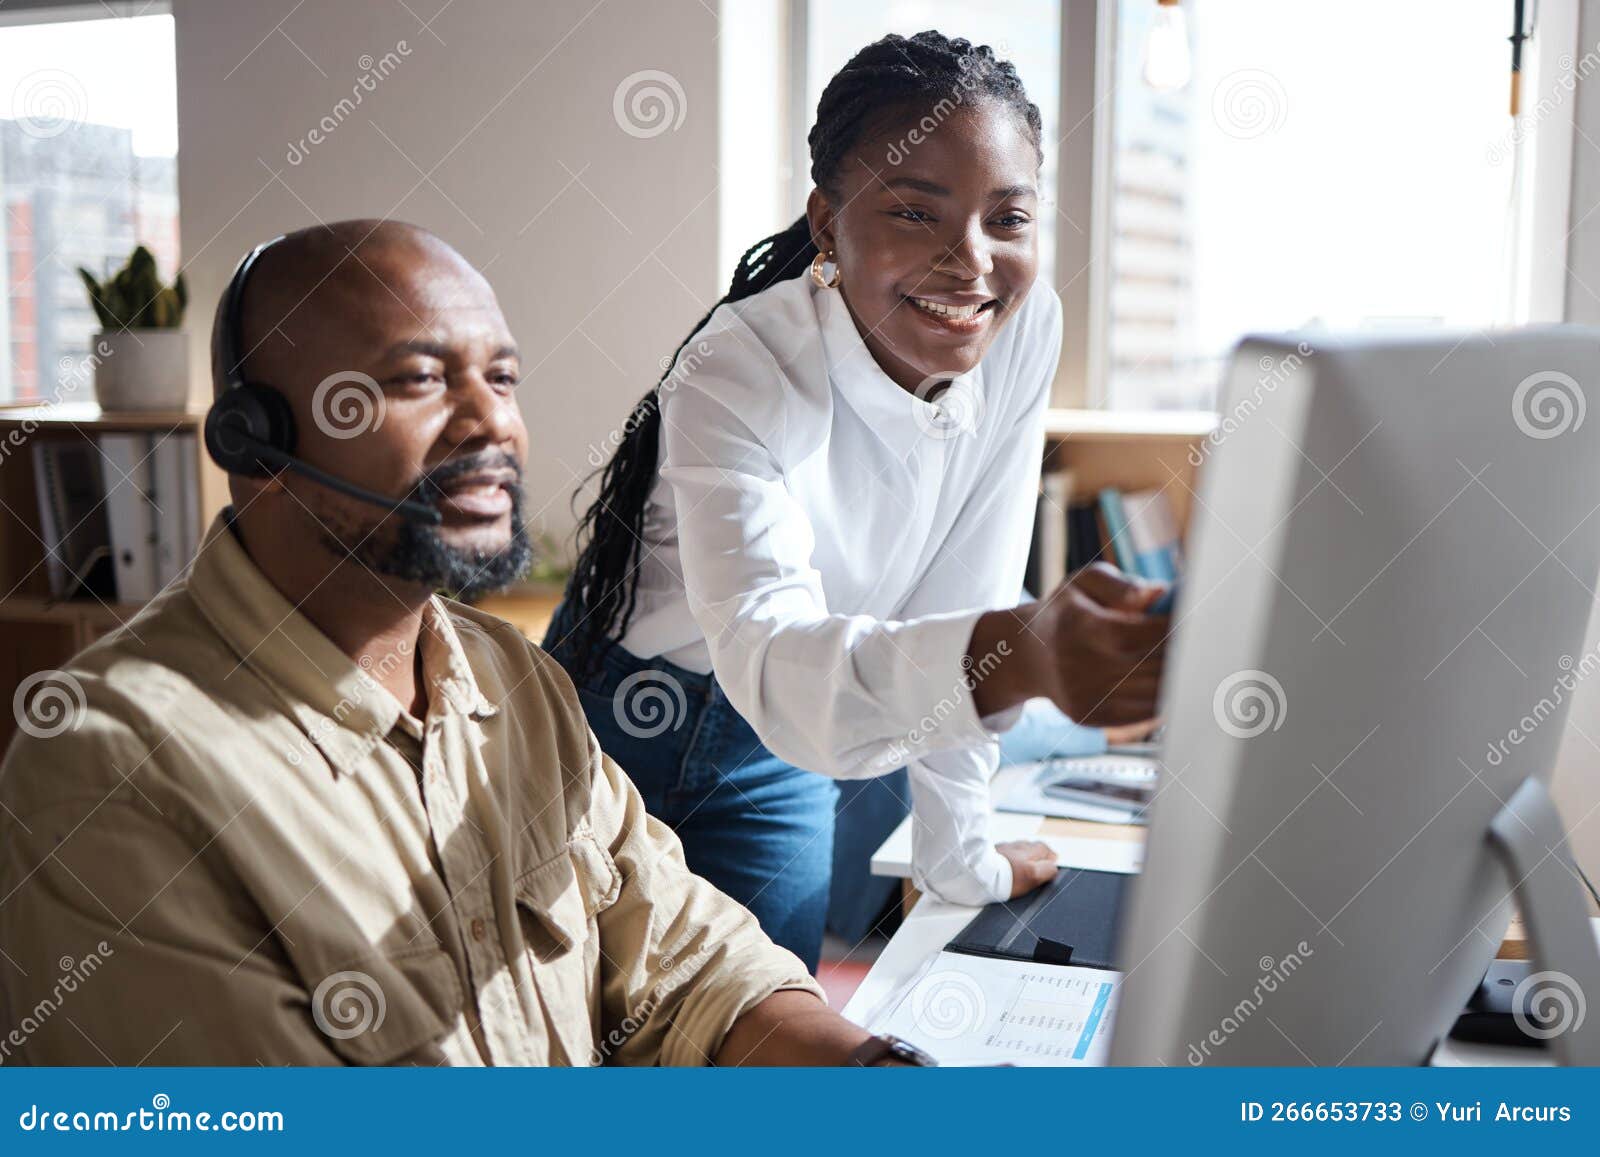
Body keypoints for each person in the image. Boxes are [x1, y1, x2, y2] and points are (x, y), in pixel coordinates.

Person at [0, 220, 922, 1068]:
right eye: (419, 380)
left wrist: (869, 1073)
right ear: (256, 441)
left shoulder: (510, 676)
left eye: (503, 378)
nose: (493, 424)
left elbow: (690, 959)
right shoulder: (111, 768)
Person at [546, 31, 1169, 971]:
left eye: (1008, 218)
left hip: (796, 716)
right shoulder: (740, 368)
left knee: (762, 1017)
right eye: (915, 212)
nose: (971, 261)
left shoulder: (1024, 324)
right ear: (828, 226)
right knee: (573, 1011)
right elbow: (772, 659)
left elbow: (968, 595)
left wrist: (961, 856)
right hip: (641, 711)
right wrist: (1021, 656)